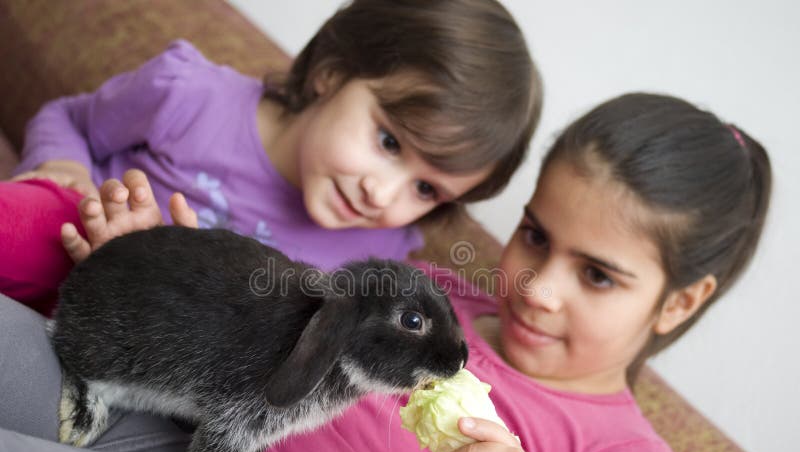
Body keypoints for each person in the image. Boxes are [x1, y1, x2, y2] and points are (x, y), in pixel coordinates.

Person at [247, 92, 771, 452]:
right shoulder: (430, 293)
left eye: (597, 275)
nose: (537, 289)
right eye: (536, 236)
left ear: (680, 301)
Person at [0, 0, 542, 316]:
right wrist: (64, 170)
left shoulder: (383, 252)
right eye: (390, 142)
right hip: (68, 254)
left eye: (426, 190)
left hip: (150, 356)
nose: (381, 193)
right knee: (38, 218)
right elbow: (69, 120)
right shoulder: (189, 95)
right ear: (331, 72)